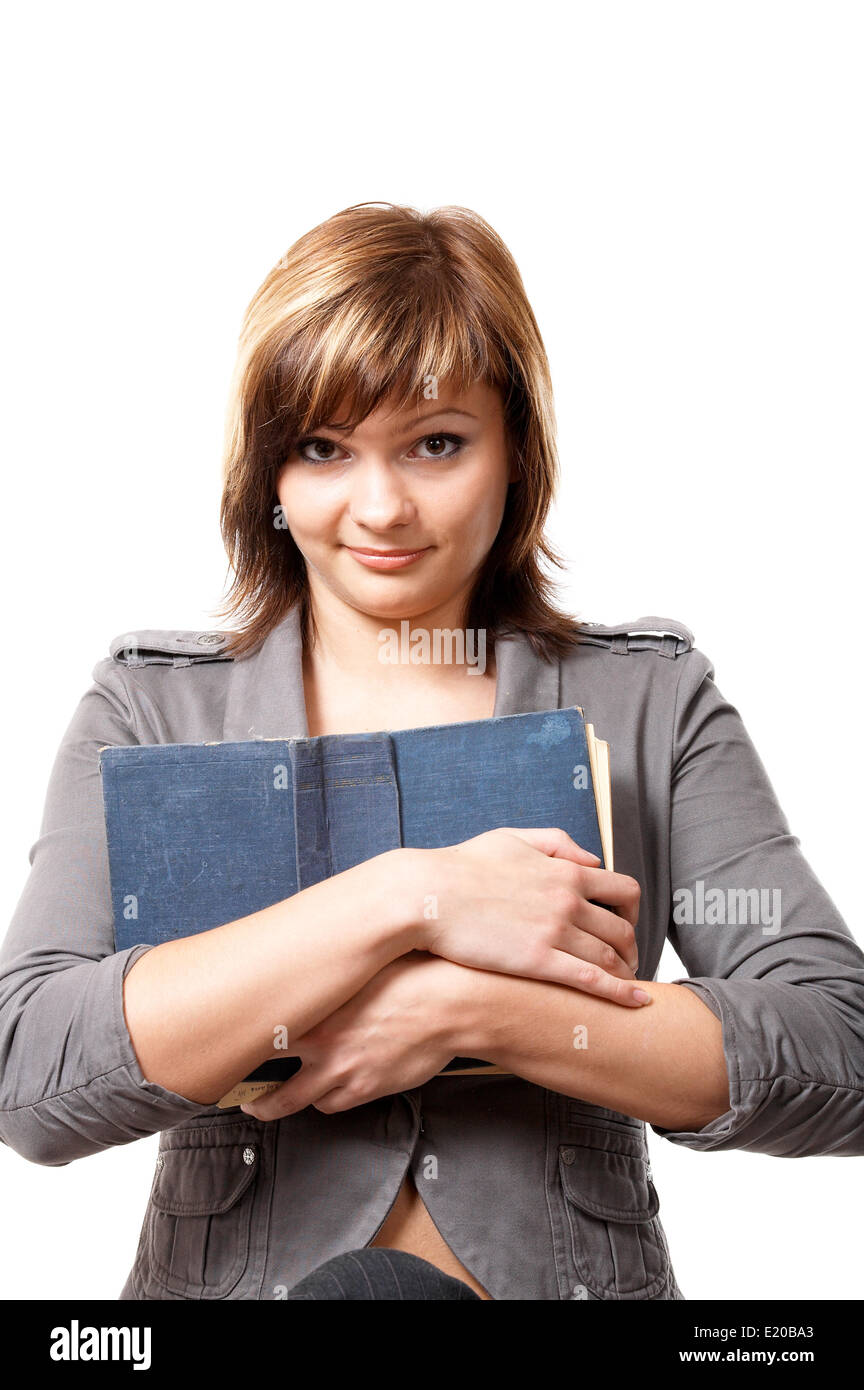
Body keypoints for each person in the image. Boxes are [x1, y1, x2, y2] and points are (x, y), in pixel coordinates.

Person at [1, 203, 862, 1302]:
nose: (380, 506)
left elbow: (838, 1042)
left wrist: (470, 1011)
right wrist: (410, 899)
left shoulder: (646, 696)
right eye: (324, 448)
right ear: (270, 473)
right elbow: (30, 1074)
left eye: (437, 443)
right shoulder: (153, 708)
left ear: (516, 455)